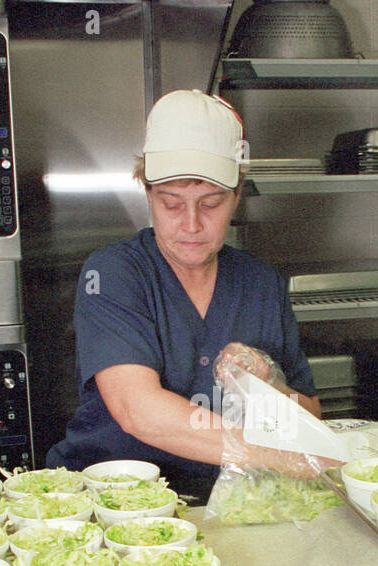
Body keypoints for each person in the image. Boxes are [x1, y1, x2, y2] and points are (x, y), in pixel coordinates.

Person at [45, 89, 330, 495]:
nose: (192, 225)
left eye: (211, 204)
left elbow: (310, 416)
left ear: (236, 196)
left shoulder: (260, 283)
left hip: (225, 501)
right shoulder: (113, 273)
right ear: (147, 194)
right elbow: (139, 412)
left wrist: (269, 385)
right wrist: (278, 455)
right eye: (171, 204)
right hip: (112, 500)